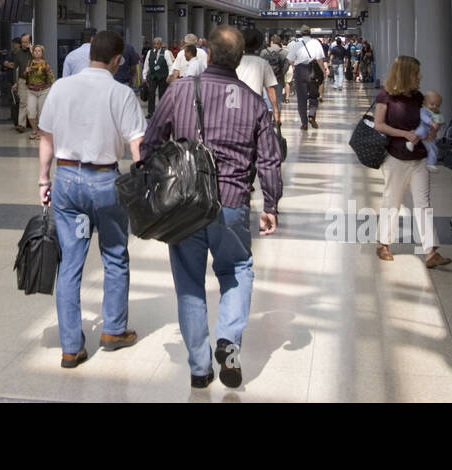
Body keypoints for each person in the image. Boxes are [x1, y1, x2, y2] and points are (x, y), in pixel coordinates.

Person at [143, 25, 281, 389]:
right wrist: (271, 203)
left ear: (209, 53)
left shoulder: (179, 91)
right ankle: (229, 341)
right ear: (240, 57)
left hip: (187, 204)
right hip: (233, 203)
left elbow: (151, 142)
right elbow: (269, 160)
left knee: (189, 282)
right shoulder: (253, 101)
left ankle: (200, 369)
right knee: (237, 269)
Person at [36, 30, 146, 368]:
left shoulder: (61, 88)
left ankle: (71, 347)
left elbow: (46, 139)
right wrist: (144, 183)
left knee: (70, 263)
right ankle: (113, 330)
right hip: (104, 181)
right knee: (114, 255)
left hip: (67, 181)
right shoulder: (121, 92)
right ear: (115, 60)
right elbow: (137, 145)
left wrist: (43, 179)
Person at [372, 57, 451, 269]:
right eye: (416, 73)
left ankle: (430, 251)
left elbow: (426, 120)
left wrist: (432, 131)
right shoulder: (386, 96)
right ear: (406, 74)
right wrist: (405, 134)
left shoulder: (419, 98)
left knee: (423, 203)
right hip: (395, 157)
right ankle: (383, 243)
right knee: (392, 200)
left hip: (419, 157)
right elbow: (379, 125)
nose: (420, 77)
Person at [288, 28, 327, 129]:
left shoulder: (295, 43)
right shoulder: (316, 43)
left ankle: (304, 123)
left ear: (301, 34)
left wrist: (295, 67)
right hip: (312, 71)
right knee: (314, 96)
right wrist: (324, 70)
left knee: (301, 98)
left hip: (300, 71)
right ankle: (312, 115)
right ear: (310, 33)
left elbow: (290, 59)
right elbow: (319, 59)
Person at [236, 28, 279, 116]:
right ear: (258, 45)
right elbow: (270, 88)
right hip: (255, 105)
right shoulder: (262, 63)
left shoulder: (233, 61)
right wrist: (275, 109)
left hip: (235, 104)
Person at [22, 44, 55, 142]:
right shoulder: (30, 63)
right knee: (31, 112)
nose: (37, 52)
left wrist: (55, 87)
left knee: (41, 113)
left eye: (39, 51)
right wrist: (26, 71)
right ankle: (34, 130)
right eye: (35, 50)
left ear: (42, 53)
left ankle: (41, 131)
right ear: (33, 52)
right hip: (31, 91)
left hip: (43, 91)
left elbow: (51, 76)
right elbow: (24, 76)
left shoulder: (45, 64)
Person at [142, 37, 175, 117]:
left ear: (161, 44)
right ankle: (150, 112)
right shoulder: (150, 52)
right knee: (151, 93)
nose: (156, 45)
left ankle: (162, 112)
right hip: (153, 76)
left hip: (163, 77)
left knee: (162, 94)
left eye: (158, 44)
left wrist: (170, 75)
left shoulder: (165, 52)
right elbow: (146, 65)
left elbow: (170, 65)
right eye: (155, 44)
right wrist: (144, 76)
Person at [416, 90, 445, 167]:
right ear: (425, 103)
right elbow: (424, 118)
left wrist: (438, 127)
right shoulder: (423, 110)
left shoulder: (437, 113)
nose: (435, 107)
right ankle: (411, 143)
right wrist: (431, 123)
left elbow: (440, 122)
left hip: (431, 137)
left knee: (434, 149)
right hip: (421, 133)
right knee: (422, 131)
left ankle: (431, 164)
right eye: (432, 104)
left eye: (438, 105)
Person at [12, 32, 33, 132]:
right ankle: (21, 125)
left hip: (34, 81)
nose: (24, 44)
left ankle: (35, 125)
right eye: (22, 42)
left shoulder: (35, 52)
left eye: (26, 42)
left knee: (34, 104)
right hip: (22, 80)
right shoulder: (18, 54)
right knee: (23, 103)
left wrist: (32, 50)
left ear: (30, 42)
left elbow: (41, 61)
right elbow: (15, 68)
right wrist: (15, 82)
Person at [263, 34, 288, 111]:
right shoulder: (284, 52)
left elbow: (260, 65)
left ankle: (269, 114)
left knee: (267, 97)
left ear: (271, 42)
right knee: (278, 99)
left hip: (267, 79)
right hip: (279, 79)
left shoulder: (264, 52)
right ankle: (277, 118)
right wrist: (281, 73)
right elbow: (286, 66)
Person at [0, 39, 21, 123]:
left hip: (18, 80)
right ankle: (13, 115)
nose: (13, 45)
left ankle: (19, 116)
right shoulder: (11, 53)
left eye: (15, 44)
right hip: (10, 78)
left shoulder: (22, 54)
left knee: (19, 99)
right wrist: (11, 65)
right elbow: (5, 63)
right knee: (11, 98)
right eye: (13, 44)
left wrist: (11, 65)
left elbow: (19, 65)